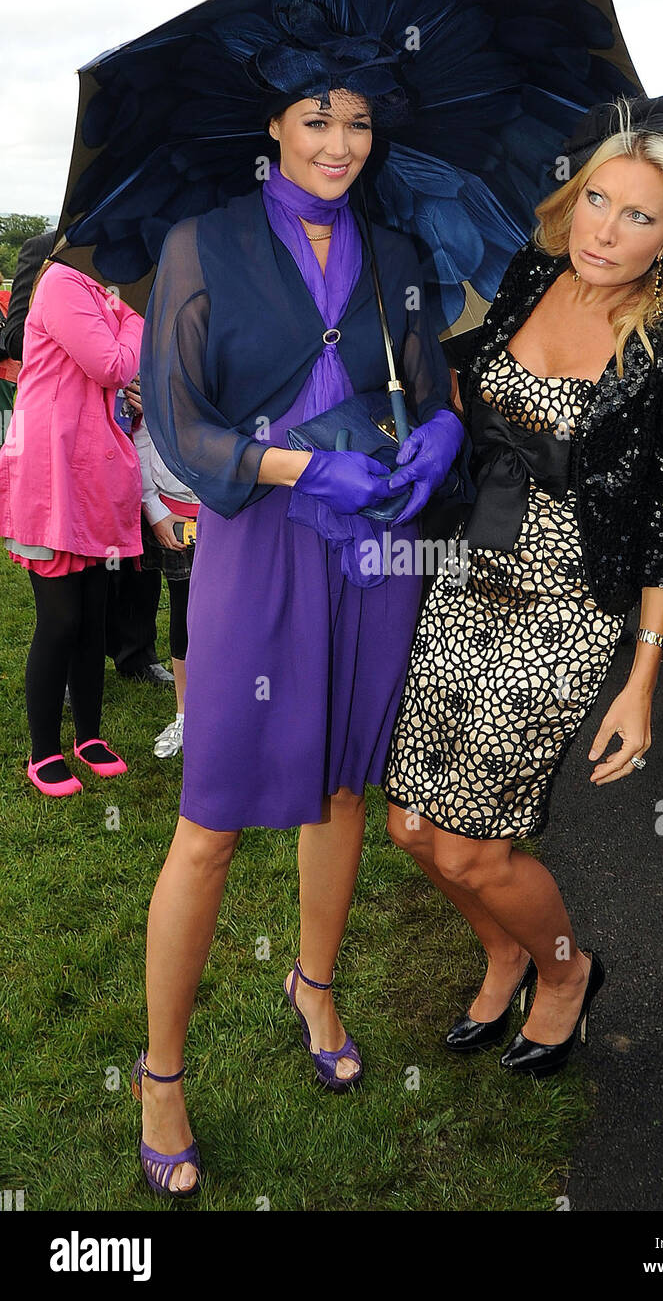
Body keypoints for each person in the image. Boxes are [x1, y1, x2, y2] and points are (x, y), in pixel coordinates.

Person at [384, 93, 663, 1079]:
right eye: (598, 200)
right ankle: (504, 949)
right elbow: (479, 388)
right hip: (466, 577)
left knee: (476, 846)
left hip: (568, 608)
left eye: (639, 214)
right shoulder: (528, 276)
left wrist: (643, 684)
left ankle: (565, 970)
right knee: (411, 826)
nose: (607, 229)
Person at [134, 83, 463, 1195]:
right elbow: (177, 420)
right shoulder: (205, 244)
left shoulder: (399, 248)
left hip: (373, 551)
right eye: (315, 120)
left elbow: (433, 382)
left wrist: (443, 431)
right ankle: (161, 1071)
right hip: (259, 541)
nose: (339, 144)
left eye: (358, 123)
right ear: (271, 128)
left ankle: (312, 981)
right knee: (210, 819)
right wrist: (298, 463)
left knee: (341, 786)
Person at [0, 260, 143, 794]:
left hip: (93, 473)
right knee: (59, 619)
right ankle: (43, 753)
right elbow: (113, 365)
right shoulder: (62, 280)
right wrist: (137, 314)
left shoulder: (105, 290)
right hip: (49, 473)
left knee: (92, 616)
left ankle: (88, 736)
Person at [131, 392, 199, 758]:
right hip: (175, 513)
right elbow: (141, 439)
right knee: (184, 609)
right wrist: (154, 510)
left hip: (229, 509)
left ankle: (244, 711)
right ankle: (185, 716)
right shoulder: (152, 365)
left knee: (241, 612)